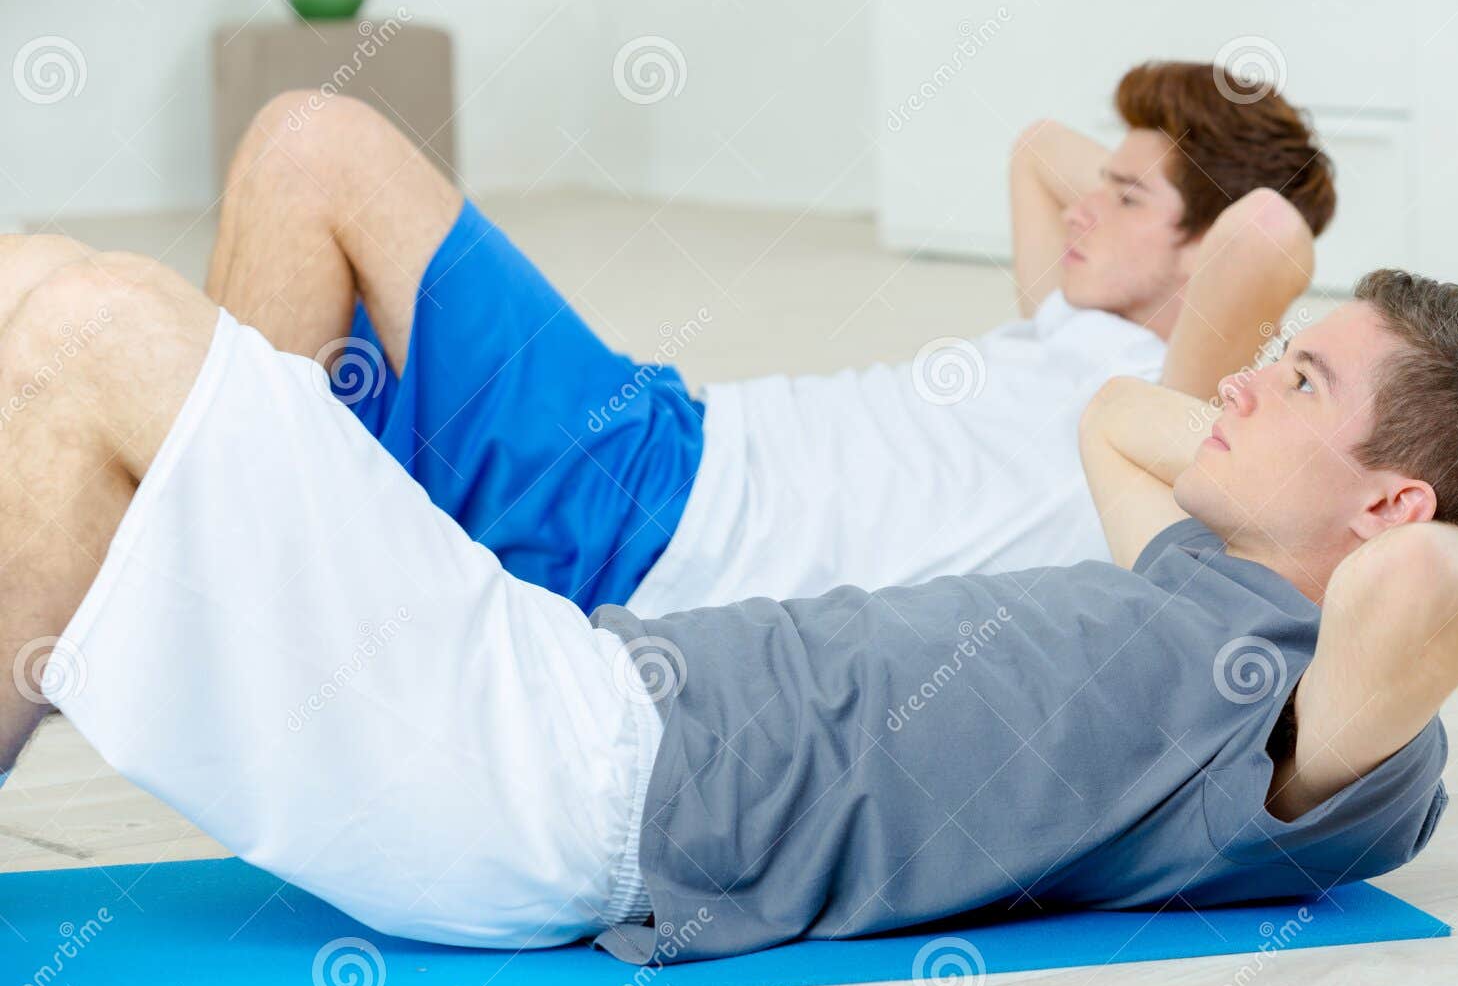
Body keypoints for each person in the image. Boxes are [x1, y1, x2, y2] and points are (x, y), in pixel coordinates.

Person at [0, 234, 1458, 962]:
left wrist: (1423, 507)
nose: (1237, 374)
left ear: (1386, 503)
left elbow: (1440, 576)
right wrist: (1286, 450)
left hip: (572, 784)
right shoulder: (1195, 587)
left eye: (1294, 376)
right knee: (43, 336)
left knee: (96, 318)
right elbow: (1112, 420)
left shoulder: (1303, 726)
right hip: (554, 695)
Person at [204, 61, 1334, 615]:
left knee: (315, 145)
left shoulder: (1170, 416)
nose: (1082, 206)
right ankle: (214, 557)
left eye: (1127, 198)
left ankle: (201, 574)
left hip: (647, 510)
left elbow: (1269, 234)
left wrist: (1215, 231)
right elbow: (1039, 148)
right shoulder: (1072, 323)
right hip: (648, 441)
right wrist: (1151, 189)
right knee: (239, 308)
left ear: (1205, 254)